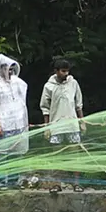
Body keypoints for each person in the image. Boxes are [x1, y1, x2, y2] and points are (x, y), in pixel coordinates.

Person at [40, 58, 86, 191]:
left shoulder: (73, 83)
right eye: (63, 71)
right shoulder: (49, 86)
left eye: (67, 71)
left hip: (72, 125)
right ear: (56, 71)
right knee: (57, 156)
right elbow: (45, 108)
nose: (65, 74)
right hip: (56, 126)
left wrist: (81, 121)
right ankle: (56, 184)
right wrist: (47, 127)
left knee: (74, 156)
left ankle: (76, 183)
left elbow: (78, 104)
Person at [0, 53, 29, 189]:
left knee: (15, 154)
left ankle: (13, 180)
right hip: (3, 125)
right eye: (7, 69)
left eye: (12, 69)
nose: (10, 72)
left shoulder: (17, 83)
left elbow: (21, 100)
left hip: (17, 123)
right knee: (0, 154)